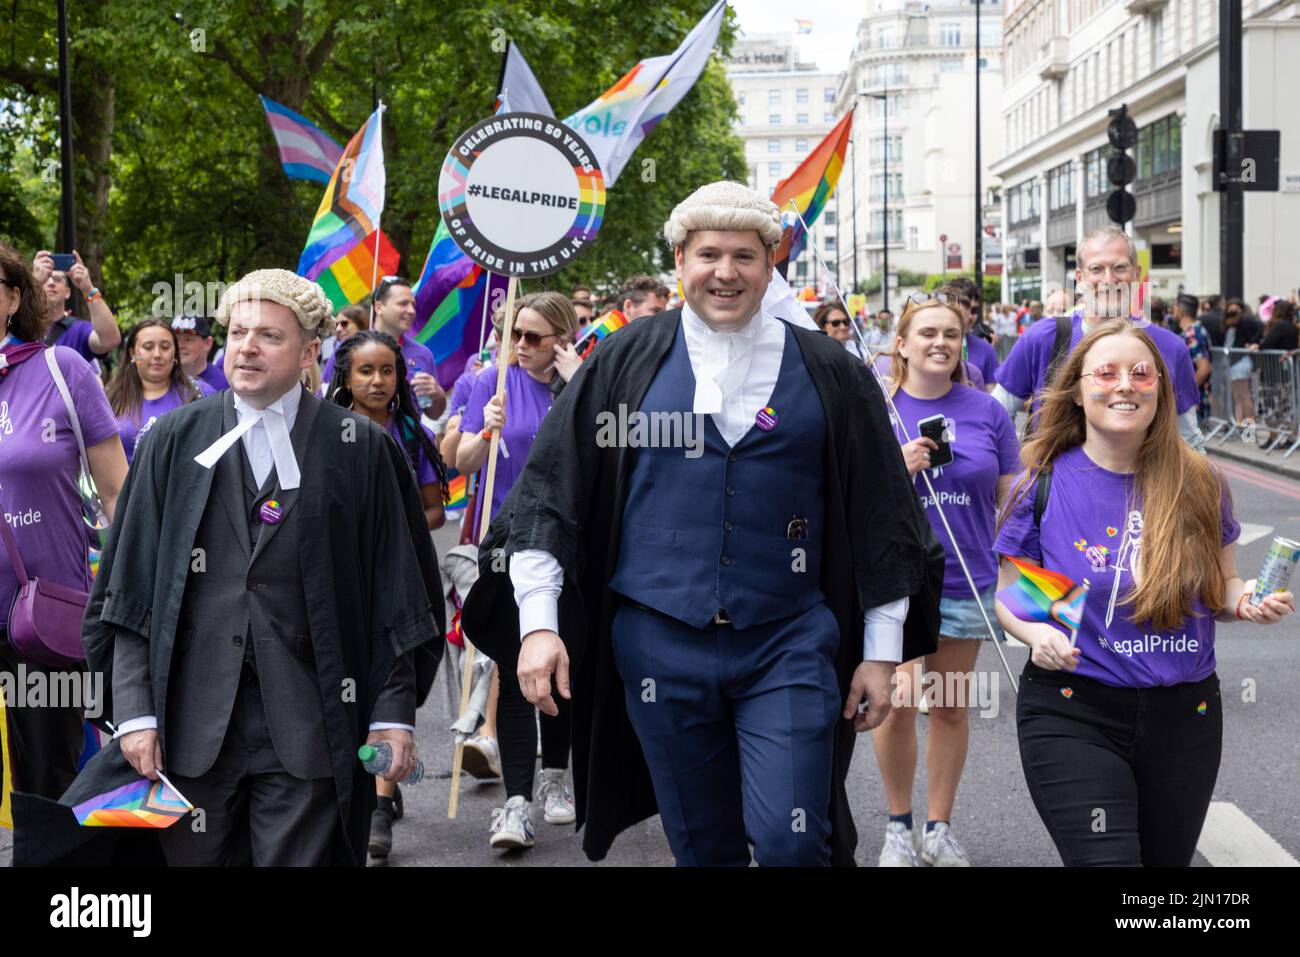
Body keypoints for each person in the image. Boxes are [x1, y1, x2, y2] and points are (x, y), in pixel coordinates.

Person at [461, 180, 943, 865]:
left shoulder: (831, 370)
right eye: (709, 254)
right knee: (703, 846)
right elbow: (550, 494)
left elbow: (884, 516)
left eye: (745, 255)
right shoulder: (625, 362)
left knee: (792, 837)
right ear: (680, 261)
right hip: (659, 646)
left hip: (789, 641)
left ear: (771, 263)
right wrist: (539, 624)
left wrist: (882, 648)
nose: (726, 272)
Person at [82, 268, 443, 866]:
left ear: (309, 351)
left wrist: (390, 715)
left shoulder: (361, 448)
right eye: (239, 332)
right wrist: (134, 714)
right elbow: (130, 589)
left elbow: (397, 596)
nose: (246, 347)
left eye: (269, 336)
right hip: (186, 731)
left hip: (312, 724)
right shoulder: (173, 439)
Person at [993, 319, 1293, 866]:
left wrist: (1244, 600)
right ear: (1079, 391)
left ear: (1161, 387)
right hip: (1073, 708)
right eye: (1105, 373)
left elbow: (1219, 587)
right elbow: (1015, 596)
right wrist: (1039, 634)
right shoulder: (1042, 482)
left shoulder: (1200, 480)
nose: (1125, 385)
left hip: (1187, 714)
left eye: (1141, 372)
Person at [872, 290, 1021, 867]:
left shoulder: (987, 411)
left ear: (963, 346)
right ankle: (897, 828)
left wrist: (1017, 568)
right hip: (898, 580)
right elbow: (846, 494)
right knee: (901, 701)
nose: (940, 343)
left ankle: (938, 829)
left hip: (968, 579)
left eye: (951, 335)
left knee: (951, 706)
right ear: (902, 345)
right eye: (928, 333)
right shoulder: (876, 407)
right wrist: (895, 468)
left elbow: (1010, 499)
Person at [0, 243, 126, 810]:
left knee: (49, 782)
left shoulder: (62, 367)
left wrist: (133, 593)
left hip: (44, 616)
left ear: (12, 298)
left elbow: (117, 491)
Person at [457, 291, 581, 851]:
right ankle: (515, 803)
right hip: (506, 544)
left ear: (561, 336)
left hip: (569, 545)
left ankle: (556, 776)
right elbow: (460, 463)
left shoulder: (582, 381)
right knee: (511, 668)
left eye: (534, 337)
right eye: (514, 336)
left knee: (560, 665)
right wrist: (484, 430)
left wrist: (580, 387)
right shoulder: (492, 381)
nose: (522, 347)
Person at [326, 328, 449, 862]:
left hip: (400, 579)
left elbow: (435, 511)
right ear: (345, 379)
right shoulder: (324, 434)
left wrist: (392, 529)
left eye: (387, 372)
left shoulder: (409, 433)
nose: (378, 382)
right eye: (365, 372)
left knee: (390, 676)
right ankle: (361, 784)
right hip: (340, 580)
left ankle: (379, 808)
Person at [992, 226, 1203, 449]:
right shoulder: (1043, 338)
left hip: (1145, 483)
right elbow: (998, 409)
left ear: (1136, 274)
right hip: (1053, 482)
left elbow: (1188, 439)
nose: (1109, 279)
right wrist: (1016, 473)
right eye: (1097, 269)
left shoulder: (1170, 347)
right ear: (1080, 277)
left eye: (1119, 267)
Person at [323, 277, 446, 416]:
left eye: (413, 305)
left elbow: (434, 415)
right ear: (379, 307)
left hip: (407, 437)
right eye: (403, 304)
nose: (411, 311)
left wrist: (437, 394)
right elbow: (324, 396)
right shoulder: (348, 348)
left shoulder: (423, 354)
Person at [107, 318, 213, 464]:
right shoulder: (110, 398)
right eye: (148, 347)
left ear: (174, 353)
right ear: (132, 353)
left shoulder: (201, 393)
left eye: (165, 347)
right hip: (125, 486)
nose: (157, 354)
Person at [30, 249, 122, 366]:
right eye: (44, 279)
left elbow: (110, 340)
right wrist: (32, 283)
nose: (51, 282)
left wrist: (88, 288)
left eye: (58, 279)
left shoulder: (79, 330)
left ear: (67, 292)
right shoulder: (20, 327)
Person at [947, 277, 998, 392]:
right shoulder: (932, 348)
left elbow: (993, 396)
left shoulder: (986, 349)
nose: (969, 316)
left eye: (974, 310)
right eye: (963, 309)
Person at [1217, 298, 1263, 423]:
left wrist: (1254, 342)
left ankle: (1248, 432)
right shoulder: (1231, 325)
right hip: (1234, 362)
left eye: (1235, 310)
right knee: (1238, 397)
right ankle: (1240, 428)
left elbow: (1262, 327)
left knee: (1244, 396)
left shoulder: (1246, 320)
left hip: (1241, 362)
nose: (1232, 313)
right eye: (1230, 311)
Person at [1171, 293, 1212, 423]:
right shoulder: (1194, 331)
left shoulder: (1192, 334)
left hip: (1192, 403)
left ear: (1180, 310)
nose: (1172, 311)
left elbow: (1204, 368)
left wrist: (1184, 392)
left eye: (1174, 307)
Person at [171, 314, 229, 391]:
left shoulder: (224, 384)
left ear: (207, 343)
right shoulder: (161, 380)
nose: (180, 346)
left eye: (188, 339)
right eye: (176, 340)